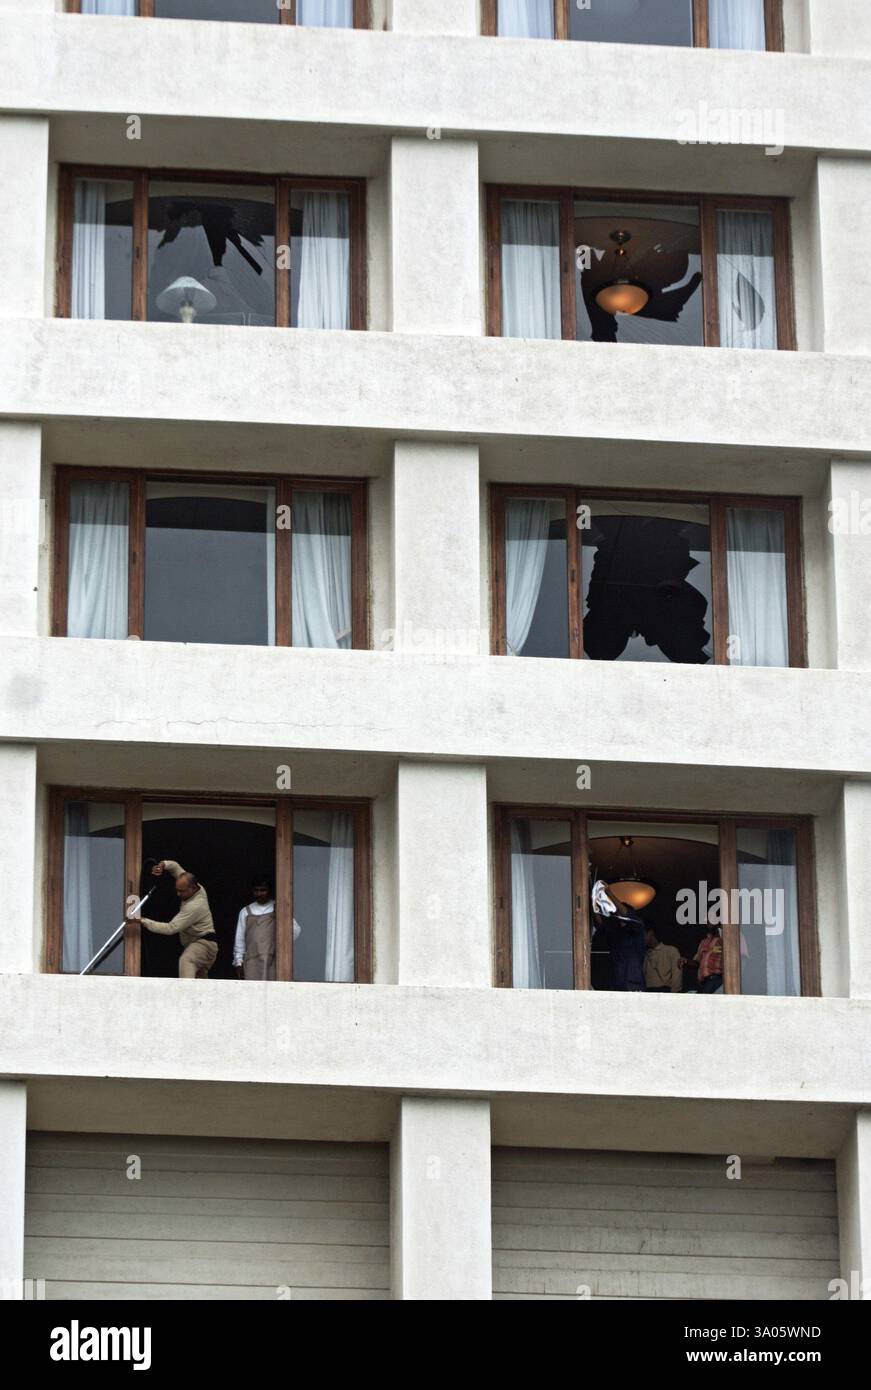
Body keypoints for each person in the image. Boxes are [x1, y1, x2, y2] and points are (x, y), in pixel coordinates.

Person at [128, 859, 218, 980]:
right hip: (195, 944)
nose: (178, 894)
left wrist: (142, 920)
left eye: (182, 891)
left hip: (204, 945)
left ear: (194, 888)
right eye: (177, 890)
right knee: (200, 984)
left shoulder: (195, 906)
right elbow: (175, 867)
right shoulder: (190, 883)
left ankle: (183, 994)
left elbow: (171, 928)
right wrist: (163, 865)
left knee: (187, 960)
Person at [232, 876, 301, 981]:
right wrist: (238, 962)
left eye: (263, 890)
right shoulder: (245, 911)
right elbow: (240, 940)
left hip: (273, 962)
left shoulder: (277, 907)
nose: (259, 893)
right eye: (256, 890)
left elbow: (296, 931)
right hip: (252, 962)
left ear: (269, 891)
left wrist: (281, 915)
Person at [591, 880, 646, 992]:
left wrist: (609, 893)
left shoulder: (637, 926)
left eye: (618, 912)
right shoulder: (616, 932)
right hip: (616, 983)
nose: (617, 914)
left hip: (633, 983)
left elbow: (627, 914)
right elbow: (600, 924)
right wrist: (594, 903)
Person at [643, 927, 683, 993]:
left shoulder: (671, 951)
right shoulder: (645, 954)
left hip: (665, 992)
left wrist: (673, 995)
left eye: (642, 934)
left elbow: (677, 976)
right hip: (648, 993)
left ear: (650, 933)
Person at [694, 927, 724, 993]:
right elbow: (697, 962)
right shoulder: (703, 942)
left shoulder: (723, 940)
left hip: (715, 978)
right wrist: (686, 961)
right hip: (704, 981)